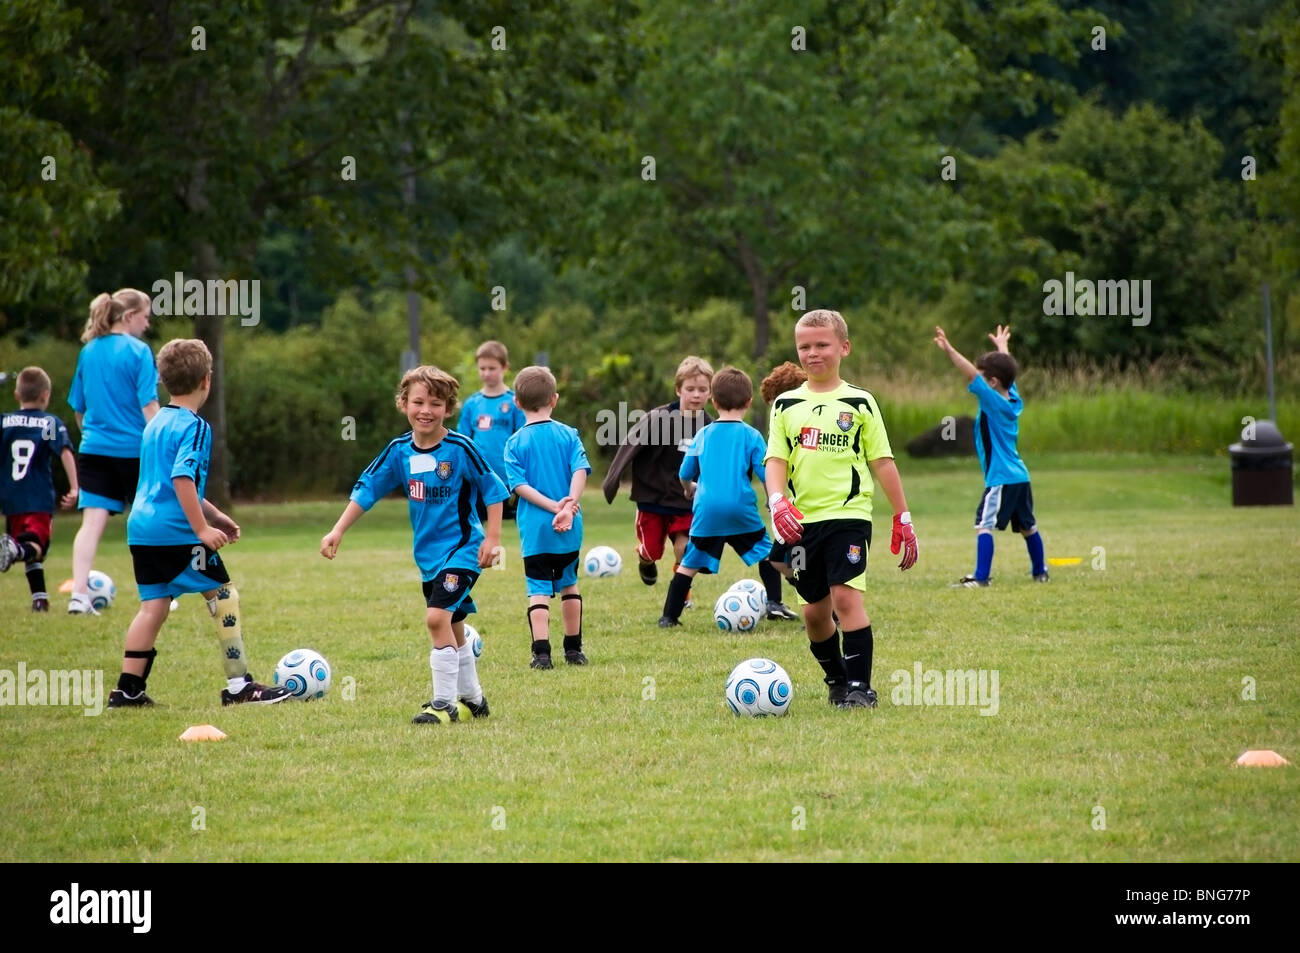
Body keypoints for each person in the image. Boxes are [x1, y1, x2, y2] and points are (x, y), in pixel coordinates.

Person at [107, 339, 291, 708]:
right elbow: (181, 480)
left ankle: (127, 691)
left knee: (153, 607)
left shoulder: (156, 422)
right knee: (223, 595)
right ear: (206, 380)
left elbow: (166, 483)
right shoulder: (196, 427)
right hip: (175, 532)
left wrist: (216, 516)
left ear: (163, 381)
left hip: (142, 530)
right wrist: (201, 530)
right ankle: (240, 687)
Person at [321, 365, 507, 724]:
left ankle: (443, 704)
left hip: (464, 548)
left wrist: (494, 539)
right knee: (453, 625)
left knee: (436, 618)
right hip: (428, 557)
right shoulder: (398, 451)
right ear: (403, 404)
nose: (426, 410)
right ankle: (475, 700)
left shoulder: (461, 448)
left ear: (448, 409)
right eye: (418, 401)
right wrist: (337, 530)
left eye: (435, 403)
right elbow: (368, 489)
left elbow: (493, 489)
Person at [765, 309, 919, 710]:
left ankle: (860, 688)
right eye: (804, 346)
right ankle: (836, 681)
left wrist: (902, 516)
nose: (813, 353)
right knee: (815, 614)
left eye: (822, 345)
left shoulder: (860, 402)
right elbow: (775, 461)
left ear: (843, 348)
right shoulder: (784, 405)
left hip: (848, 517)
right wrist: (777, 501)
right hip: (799, 523)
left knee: (846, 599)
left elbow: (882, 461)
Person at [933, 324, 1048, 586]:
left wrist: (950, 350)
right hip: (1020, 476)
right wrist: (1002, 348)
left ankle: (981, 578)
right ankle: (1040, 572)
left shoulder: (992, 401)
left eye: (985, 379)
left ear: (992, 383)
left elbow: (971, 374)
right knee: (1028, 526)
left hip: (1002, 477)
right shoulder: (1012, 398)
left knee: (983, 524)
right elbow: (1008, 374)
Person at [67, 289, 159, 615]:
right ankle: (157, 593)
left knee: (91, 524)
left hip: (92, 449)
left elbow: (79, 410)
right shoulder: (139, 352)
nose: (147, 325)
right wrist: (165, 441)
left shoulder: (88, 351)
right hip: (135, 451)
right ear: (129, 315)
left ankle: (78, 595)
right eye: (145, 317)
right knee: (146, 521)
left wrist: (93, 436)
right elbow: (148, 405)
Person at [657, 367, 772, 628]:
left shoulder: (703, 434)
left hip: (707, 511)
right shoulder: (752, 436)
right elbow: (766, 474)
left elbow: (685, 472)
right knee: (767, 555)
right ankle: (775, 603)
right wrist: (770, 499)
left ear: (714, 401)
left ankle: (669, 617)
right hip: (741, 509)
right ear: (749, 402)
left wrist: (688, 488)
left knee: (688, 564)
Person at [602, 356, 713, 603]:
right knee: (652, 551)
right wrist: (612, 480)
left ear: (710, 392)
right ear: (678, 389)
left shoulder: (710, 427)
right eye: (690, 389)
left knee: (684, 549)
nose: (696, 395)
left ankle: (680, 594)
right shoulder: (658, 418)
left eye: (702, 390)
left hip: (686, 499)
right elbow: (629, 445)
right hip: (652, 499)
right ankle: (644, 560)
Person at [502, 365, 592, 669]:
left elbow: (519, 486)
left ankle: (541, 654)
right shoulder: (568, 434)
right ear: (554, 399)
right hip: (570, 524)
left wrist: (553, 507)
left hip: (536, 528)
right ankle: (574, 650)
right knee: (569, 583)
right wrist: (568, 505)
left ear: (517, 402)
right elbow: (580, 470)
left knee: (537, 587)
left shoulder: (514, 443)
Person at [0, 367, 79, 611]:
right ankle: (15, 550)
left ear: (17, 395)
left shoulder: (4, 421)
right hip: (37, 497)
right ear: (45, 395)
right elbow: (64, 450)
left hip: (10, 498)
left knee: (28, 545)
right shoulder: (48, 422)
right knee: (36, 546)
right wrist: (75, 487)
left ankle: (40, 599)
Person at [457, 340, 526, 520]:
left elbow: (522, 440)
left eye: (492, 368)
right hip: (479, 480)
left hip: (508, 480)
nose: (486, 373)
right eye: (482, 368)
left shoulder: (515, 403)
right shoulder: (472, 404)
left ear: (505, 367)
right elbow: (462, 443)